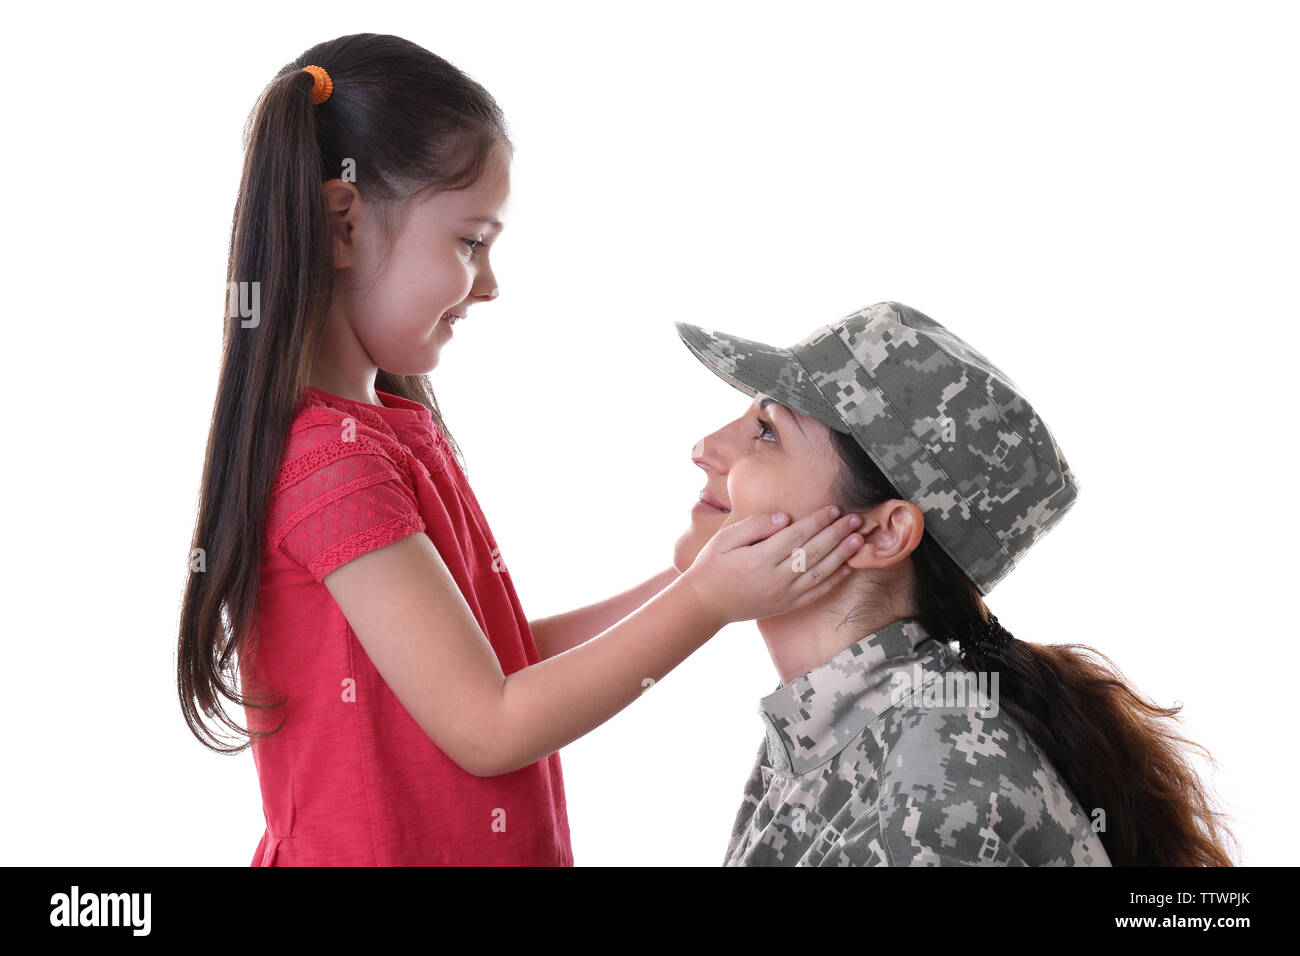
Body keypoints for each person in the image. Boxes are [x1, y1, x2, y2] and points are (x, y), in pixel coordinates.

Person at [175, 34, 866, 866]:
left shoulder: (391, 429)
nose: (491, 283)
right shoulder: (332, 463)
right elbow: (489, 724)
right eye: (471, 242)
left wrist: (694, 580)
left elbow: (497, 665)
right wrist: (706, 602)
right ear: (342, 226)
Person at [673, 301, 1238, 866]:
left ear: (882, 534)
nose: (703, 449)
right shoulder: (835, 731)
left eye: (766, 433)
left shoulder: (921, 805)